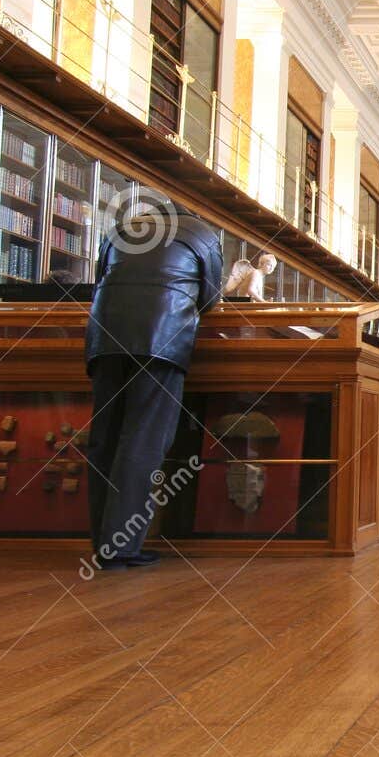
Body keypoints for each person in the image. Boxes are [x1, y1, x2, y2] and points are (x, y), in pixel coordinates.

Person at [85, 199, 223, 570]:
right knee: (143, 441)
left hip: (104, 339)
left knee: (104, 439)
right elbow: (210, 298)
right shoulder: (203, 236)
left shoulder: (120, 232)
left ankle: (103, 543)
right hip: (161, 342)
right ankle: (121, 547)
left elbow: (99, 280)